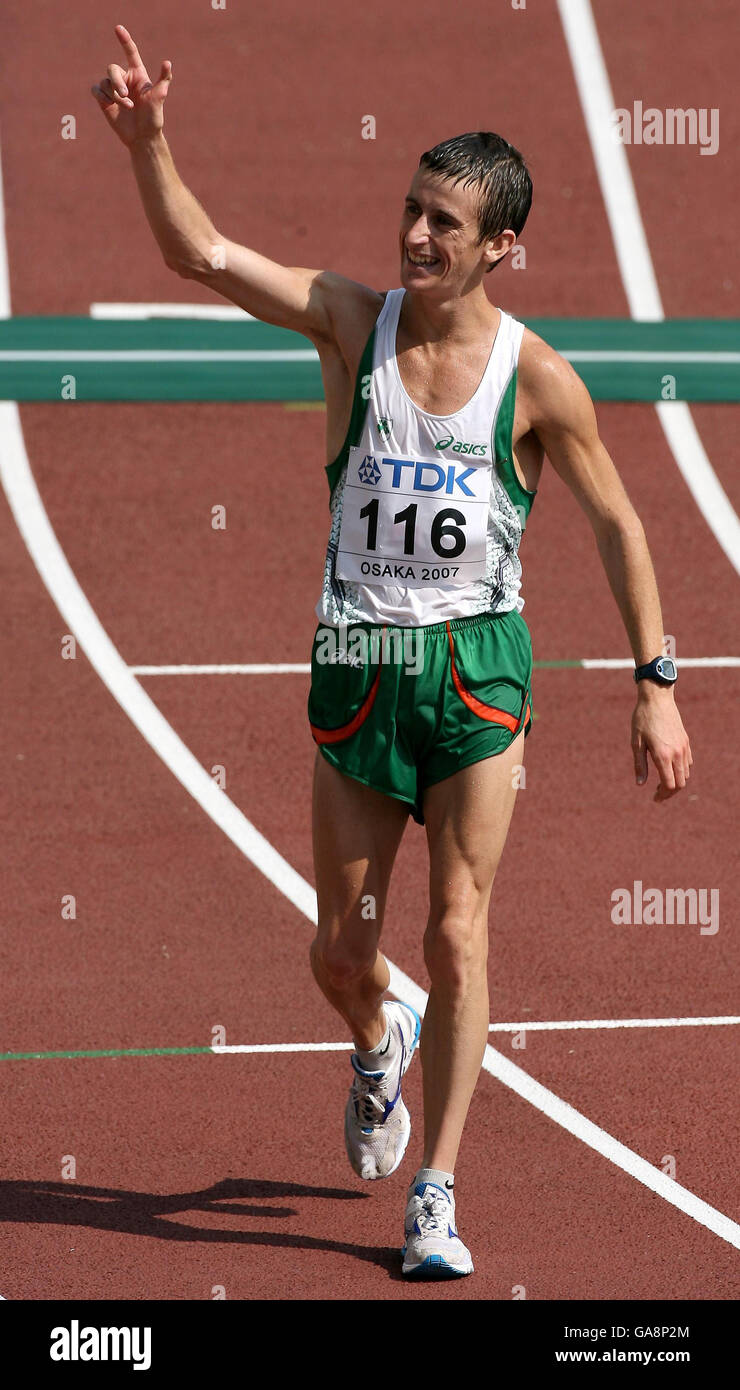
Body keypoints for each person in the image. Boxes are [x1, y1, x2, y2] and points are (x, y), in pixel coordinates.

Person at [92, 25, 693, 1280]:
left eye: (445, 225)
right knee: (341, 950)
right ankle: (378, 1037)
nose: (416, 237)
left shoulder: (539, 381)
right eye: (411, 208)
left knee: (458, 932)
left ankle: (437, 1188)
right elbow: (198, 252)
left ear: (499, 249)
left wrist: (653, 682)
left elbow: (620, 524)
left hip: (475, 677)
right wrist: (150, 143)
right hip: (361, 668)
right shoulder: (346, 322)